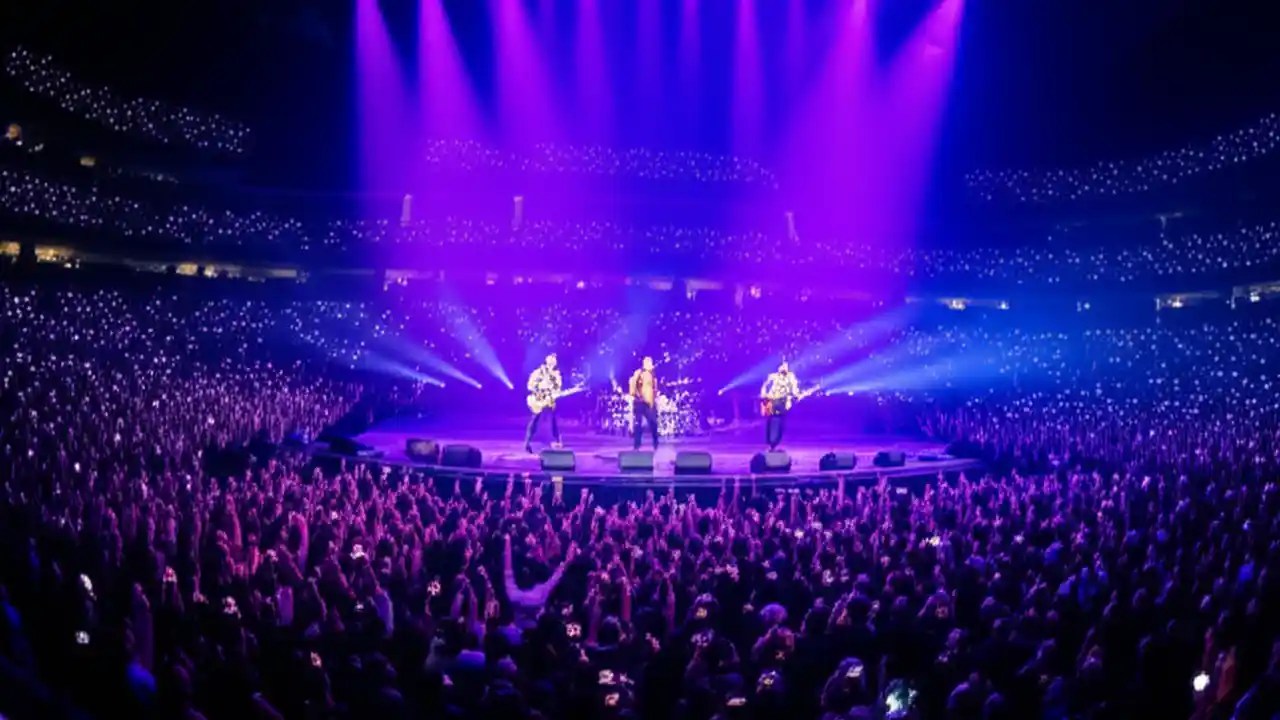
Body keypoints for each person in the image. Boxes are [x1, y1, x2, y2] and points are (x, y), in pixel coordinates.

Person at [524, 353, 563, 454]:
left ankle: (557, 440)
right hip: (538, 400)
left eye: (554, 363)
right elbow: (530, 385)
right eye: (551, 362)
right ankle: (528, 442)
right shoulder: (538, 372)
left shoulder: (556, 375)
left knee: (553, 420)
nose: (552, 364)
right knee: (535, 420)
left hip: (549, 400)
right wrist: (538, 392)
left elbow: (558, 387)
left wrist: (552, 391)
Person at [760, 361, 800, 451]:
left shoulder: (791, 377)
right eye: (782, 366)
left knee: (779, 422)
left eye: (786, 366)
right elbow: (765, 386)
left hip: (782, 402)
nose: (784, 368)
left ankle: (774, 442)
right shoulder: (772, 377)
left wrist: (795, 395)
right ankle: (771, 443)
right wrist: (764, 396)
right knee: (771, 421)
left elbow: (794, 389)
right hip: (772, 401)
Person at [628, 356, 660, 450]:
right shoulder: (639, 373)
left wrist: (654, 399)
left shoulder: (652, 375)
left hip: (649, 403)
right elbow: (632, 384)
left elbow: (654, 388)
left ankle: (655, 443)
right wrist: (636, 395)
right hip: (639, 403)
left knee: (653, 423)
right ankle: (637, 445)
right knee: (638, 424)